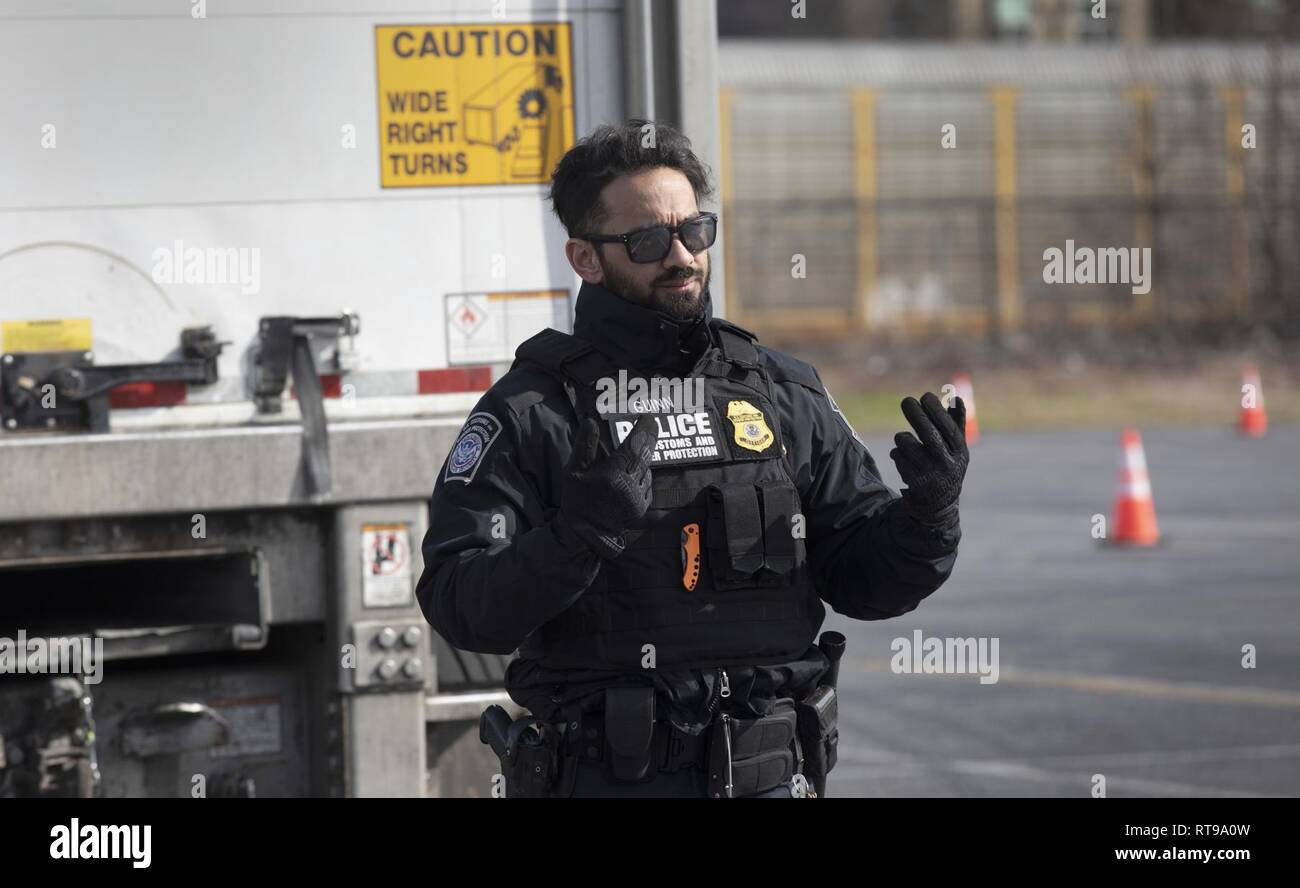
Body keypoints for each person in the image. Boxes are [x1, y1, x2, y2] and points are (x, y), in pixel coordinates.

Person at [416, 119, 969, 797]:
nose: (681, 255)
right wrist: (576, 539)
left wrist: (926, 516)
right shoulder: (534, 412)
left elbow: (864, 580)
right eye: (649, 241)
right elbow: (459, 605)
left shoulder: (780, 393)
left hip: (771, 774)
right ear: (586, 258)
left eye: (694, 231)